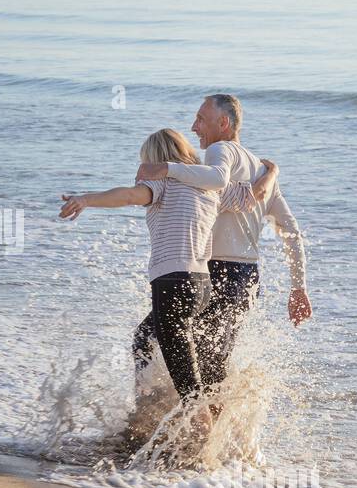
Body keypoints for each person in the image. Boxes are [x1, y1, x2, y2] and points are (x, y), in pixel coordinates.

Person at [60, 128, 271, 408]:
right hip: (201, 287)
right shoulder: (213, 189)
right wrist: (274, 170)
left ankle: (194, 437)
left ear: (155, 159)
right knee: (145, 340)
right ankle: (151, 413)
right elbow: (258, 192)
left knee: (190, 394)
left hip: (172, 284)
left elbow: (128, 196)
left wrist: (86, 199)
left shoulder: (165, 183)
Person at [136, 94, 308, 400]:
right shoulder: (261, 170)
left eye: (201, 119)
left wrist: (166, 169)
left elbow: (216, 179)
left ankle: (161, 421)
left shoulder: (220, 150)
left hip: (215, 272)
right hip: (246, 280)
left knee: (153, 342)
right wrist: (298, 288)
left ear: (224, 123)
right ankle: (201, 430)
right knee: (209, 364)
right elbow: (291, 232)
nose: (194, 127)